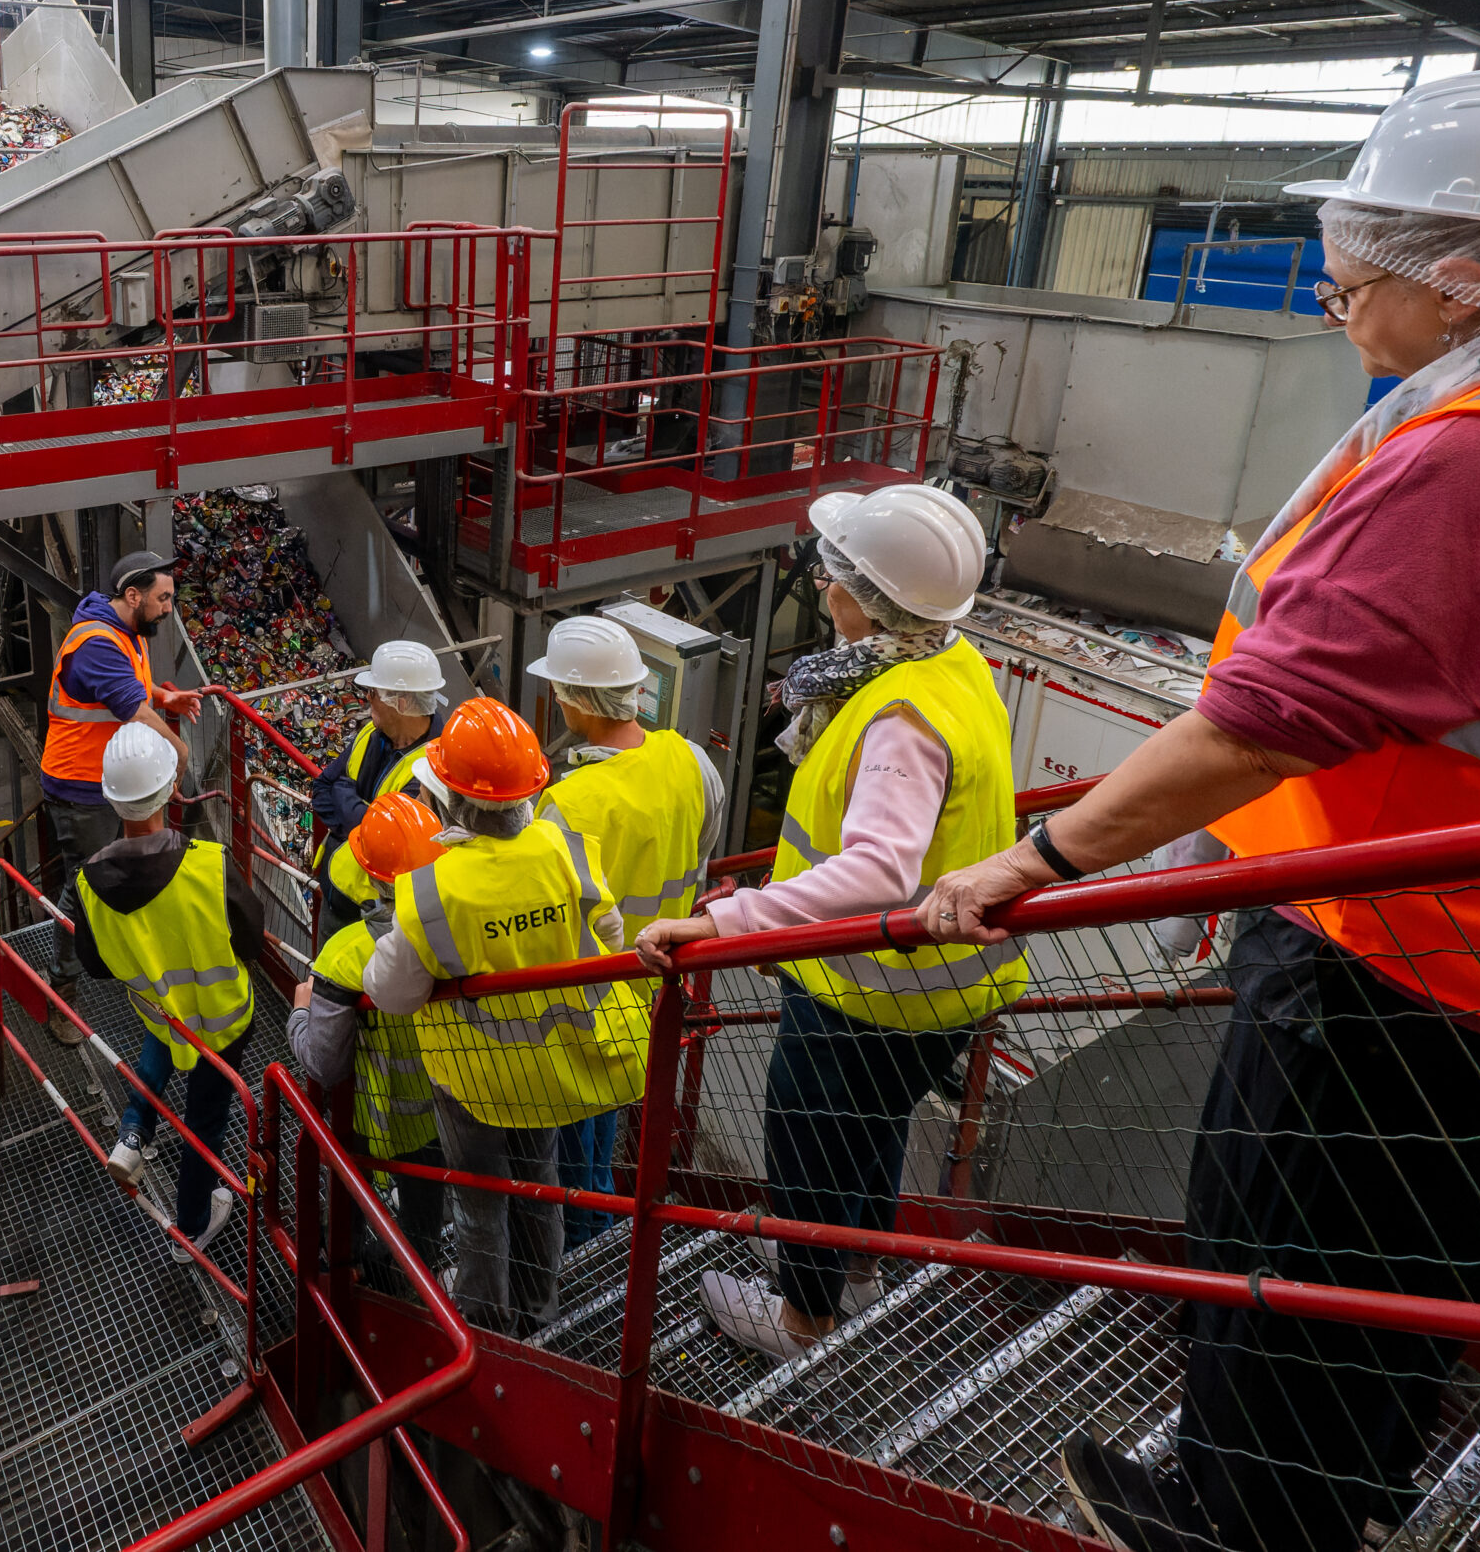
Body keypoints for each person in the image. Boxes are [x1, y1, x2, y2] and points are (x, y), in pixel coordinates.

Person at [912, 70, 1480, 1552]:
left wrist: (1036, 857)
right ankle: (1350, 1482)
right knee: (1406, 1243)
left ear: (1472, 275)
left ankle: (1251, 1520)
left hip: (1418, 938)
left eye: (1355, 272)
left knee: (1295, 1243)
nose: (1332, 294)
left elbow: (1270, 719)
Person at [636, 484, 1025, 1362]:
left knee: (807, 1136)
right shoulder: (946, 664)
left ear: (861, 594)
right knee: (875, 1125)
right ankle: (855, 1271)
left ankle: (802, 1318)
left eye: (830, 569)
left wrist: (733, 920)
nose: (817, 580)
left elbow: (881, 866)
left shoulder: (897, 714)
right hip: (932, 988)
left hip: (870, 985)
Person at [360, 697, 648, 1333]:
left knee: (479, 1204)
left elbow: (392, 991)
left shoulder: (437, 887)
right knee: (540, 1186)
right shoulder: (564, 847)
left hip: (474, 1079)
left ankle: (489, 1330)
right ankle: (539, 1310)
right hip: (556, 1067)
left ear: (450, 802)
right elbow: (608, 926)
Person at [531, 614, 725, 1247]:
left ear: (578, 700)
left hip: (585, 987)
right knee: (613, 1104)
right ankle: (607, 1219)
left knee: (570, 1119)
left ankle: (581, 1232)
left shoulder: (568, 801)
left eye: (560, 690)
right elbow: (700, 859)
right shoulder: (692, 762)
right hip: (655, 980)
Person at [56, 725, 265, 1261]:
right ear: (172, 790)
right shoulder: (208, 866)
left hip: (159, 1015)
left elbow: (96, 965)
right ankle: (192, 1226)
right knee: (206, 1120)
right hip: (222, 1024)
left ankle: (133, 1134)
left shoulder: (87, 883)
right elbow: (253, 938)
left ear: (111, 797)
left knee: (162, 1049)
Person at [39, 550, 204, 1044]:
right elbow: (125, 701)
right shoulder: (94, 643)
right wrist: (178, 749)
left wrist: (164, 697)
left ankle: (119, 951)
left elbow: (128, 686)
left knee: (126, 864)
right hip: (82, 787)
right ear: (132, 596)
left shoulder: (123, 631)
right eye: (162, 598)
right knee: (81, 886)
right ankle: (62, 991)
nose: (168, 608)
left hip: (112, 782)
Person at [286, 791, 451, 1270]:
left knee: (349, 1193)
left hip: (365, 1120)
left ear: (370, 873)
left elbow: (323, 1061)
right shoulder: (457, 928)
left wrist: (300, 1013)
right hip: (442, 1106)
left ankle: (347, 1266)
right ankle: (420, 1265)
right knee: (425, 1204)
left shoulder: (346, 954)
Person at [311, 641, 448, 936]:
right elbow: (322, 787)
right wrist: (355, 823)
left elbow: (391, 840)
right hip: (337, 899)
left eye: (372, 693)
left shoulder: (432, 765)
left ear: (400, 703)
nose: (367, 699)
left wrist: (346, 794)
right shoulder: (370, 733)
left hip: (378, 918)